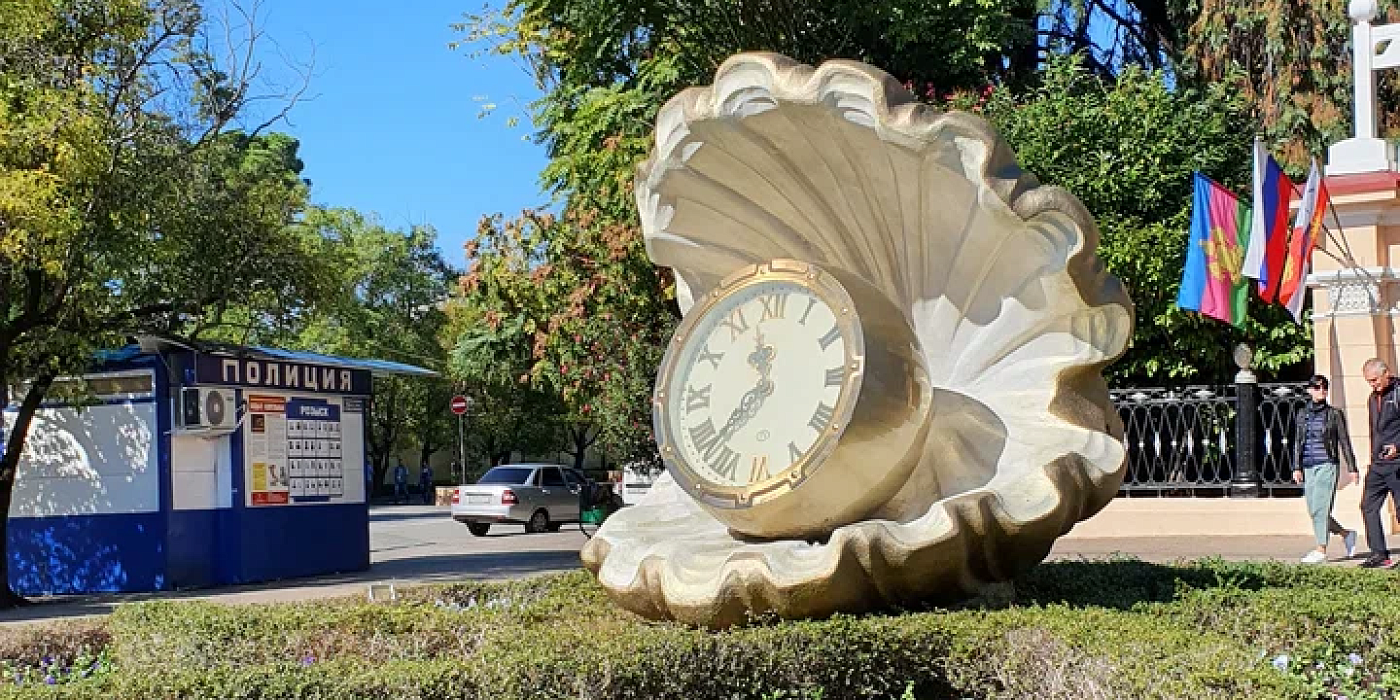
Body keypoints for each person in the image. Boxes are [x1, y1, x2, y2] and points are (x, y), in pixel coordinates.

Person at [1290, 375, 1359, 563]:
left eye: (1324, 387)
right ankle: (1346, 534)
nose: (1322, 391)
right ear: (1310, 390)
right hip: (1308, 466)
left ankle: (1321, 549)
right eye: (1318, 387)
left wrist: (1352, 468)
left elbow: (1344, 441)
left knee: (1321, 509)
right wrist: (1296, 466)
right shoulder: (1302, 414)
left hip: (1327, 464)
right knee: (1315, 511)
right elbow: (1298, 441)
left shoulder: (1334, 414)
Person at [1361, 358, 1400, 568]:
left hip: (1397, 463)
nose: (1373, 384)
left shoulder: (1397, 393)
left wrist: (1397, 447)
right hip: (1378, 464)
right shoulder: (1371, 398)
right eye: (1369, 381)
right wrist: (1373, 457)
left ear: (1386, 374)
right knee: (1368, 506)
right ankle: (1379, 554)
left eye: (1375, 380)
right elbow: (1374, 431)